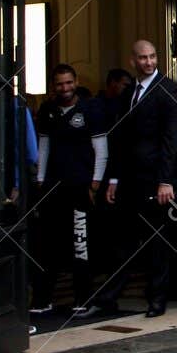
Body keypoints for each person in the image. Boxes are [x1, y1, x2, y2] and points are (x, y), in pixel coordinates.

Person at [85, 40, 177, 319]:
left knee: (157, 242)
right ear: (133, 61)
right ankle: (108, 299)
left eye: (152, 57)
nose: (149, 62)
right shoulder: (129, 92)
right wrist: (115, 178)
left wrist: (166, 181)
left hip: (155, 181)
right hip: (129, 180)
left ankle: (158, 299)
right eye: (143, 58)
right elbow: (121, 138)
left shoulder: (169, 90)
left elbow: (172, 139)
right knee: (122, 243)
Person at [30, 64, 108, 317]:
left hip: (80, 187)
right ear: (53, 86)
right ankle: (43, 299)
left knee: (80, 245)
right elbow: (44, 146)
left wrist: (95, 183)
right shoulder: (48, 110)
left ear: (76, 82)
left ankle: (82, 299)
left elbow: (101, 149)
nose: (64, 88)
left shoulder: (90, 109)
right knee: (48, 245)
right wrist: (41, 180)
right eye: (59, 84)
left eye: (68, 83)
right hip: (54, 186)